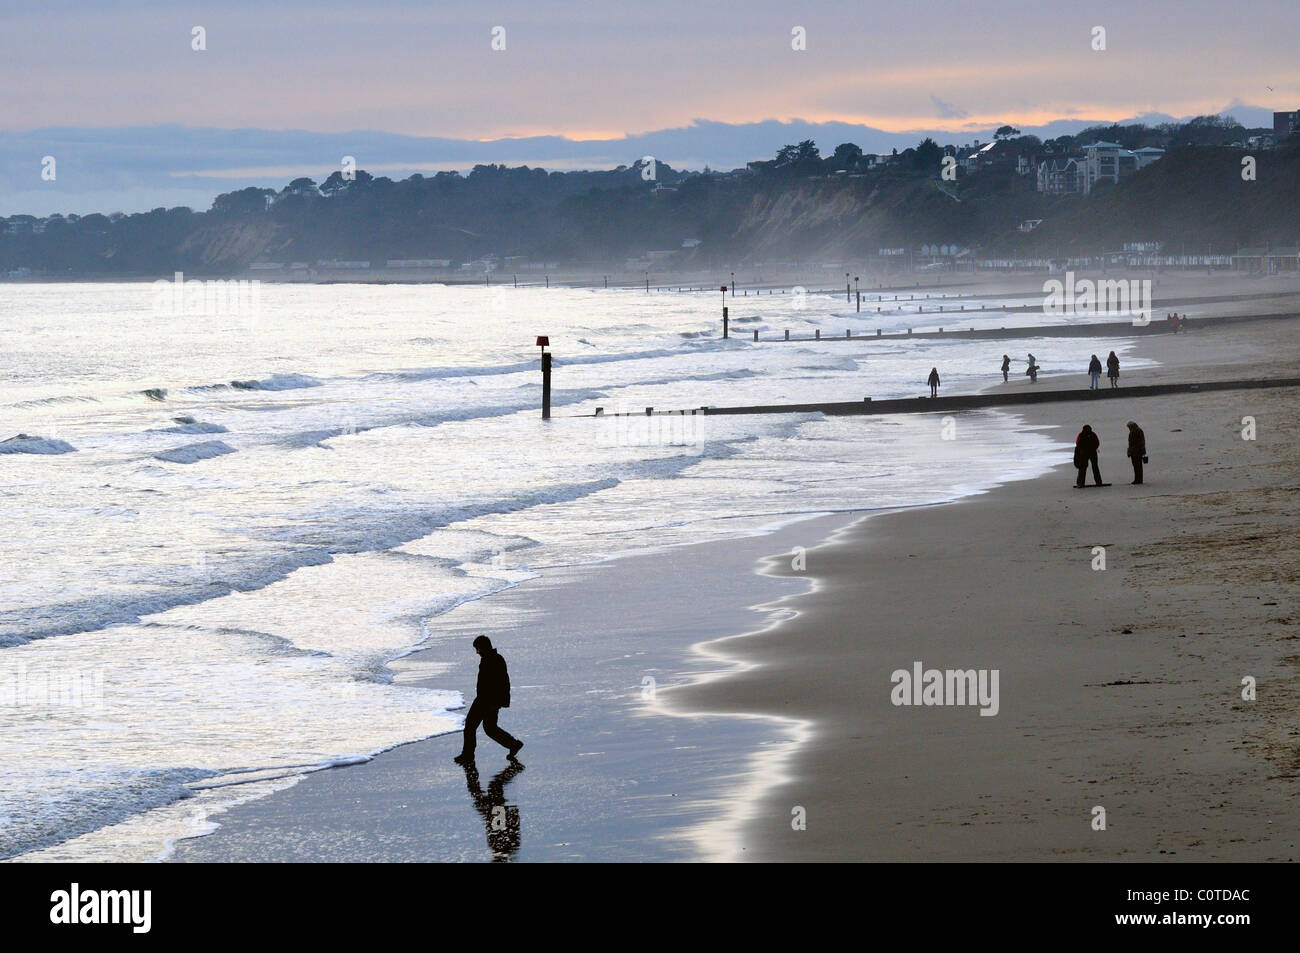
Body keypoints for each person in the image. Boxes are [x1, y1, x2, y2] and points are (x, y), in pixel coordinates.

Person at [454, 635, 523, 764]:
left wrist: (498, 702)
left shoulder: (492, 660)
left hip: (486, 700)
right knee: (490, 728)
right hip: (490, 700)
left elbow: (503, 683)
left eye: (478, 649)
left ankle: (468, 755)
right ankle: (513, 744)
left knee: (470, 726)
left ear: (483, 647)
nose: (477, 652)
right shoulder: (493, 658)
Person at [1126, 420, 1147, 484]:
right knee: (1137, 466)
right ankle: (1138, 479)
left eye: (1129, 427)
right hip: (1135, 451)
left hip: (1137, 452)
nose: (1128, 428)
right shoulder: (1136, 430)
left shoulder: (1136, 431)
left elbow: (1136, 443)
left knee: (1137, 466)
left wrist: (1131, 450)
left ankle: (1138, 480)